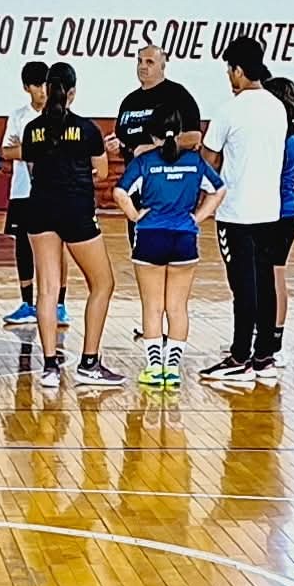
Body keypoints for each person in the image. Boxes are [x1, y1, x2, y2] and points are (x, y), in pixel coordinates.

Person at [21, 62, 124, 390]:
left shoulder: (31, 129)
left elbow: (34, 168)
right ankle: (89, 362)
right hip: (76, 210)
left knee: (47, 289)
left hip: (39, 209)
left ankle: (50, 367)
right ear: (73, 92)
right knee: (103, 283)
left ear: (47, 90)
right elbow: (103, 174)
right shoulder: (88, 129)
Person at [112, 112, 226, 388]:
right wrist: (197, 218)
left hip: (150, 237)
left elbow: (119, 192)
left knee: (153, 307)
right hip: (184, 239)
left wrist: (136, 216)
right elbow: (219, 190)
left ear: (152, 136)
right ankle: (172, 369)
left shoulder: (144, 162)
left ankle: (153, 369)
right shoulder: (194, 162)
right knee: (177, 307)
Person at [198, 37, 287, 384]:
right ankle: (264, 355)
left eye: (229, 70)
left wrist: (202, 197)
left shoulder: (230, 109)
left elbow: (208, 158)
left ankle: (239, 356)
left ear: (237, 69)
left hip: (235, 211)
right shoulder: (277, 107)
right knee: (265, 282)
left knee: (243, 285)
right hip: (270, 209)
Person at [106, 45, 204, 246]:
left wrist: (152, 147)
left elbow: (194, 137)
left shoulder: (178, 95)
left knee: (172, 250)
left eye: (149, 62)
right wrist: (116, 144)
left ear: (163, 64)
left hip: (170, 188)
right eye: (140, 61)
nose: (143, 66)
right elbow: (126, 139)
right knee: (141, 247)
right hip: (138, 188)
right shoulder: (129, 101)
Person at [0, 61, 70, 327]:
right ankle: (27, 303)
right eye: (37, 85)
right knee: (23, 246)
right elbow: (7, 152)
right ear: (26, 88)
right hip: (22, 191)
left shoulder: (62, 115)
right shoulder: (18, 116)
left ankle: (59, 304)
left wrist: (28, 149)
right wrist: (36, 150)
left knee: (57, 245)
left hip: (54, 191)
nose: (43, 90)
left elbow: (58, 151)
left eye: (46, 84)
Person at [264, 77, 294, 369]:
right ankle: (272, 337)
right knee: (276, 273)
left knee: (273, 274)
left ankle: (271, 339)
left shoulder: (279, 135)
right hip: (289, 209)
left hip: (276, 210)